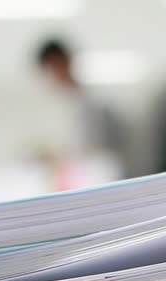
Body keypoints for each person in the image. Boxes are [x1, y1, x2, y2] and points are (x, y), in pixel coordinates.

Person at [34, 38, 125, 189]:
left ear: (67, 62)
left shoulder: (96, 102)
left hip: (94, 174)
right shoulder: (52, 104)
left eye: (56, 66)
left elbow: (101, 149)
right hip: (66, 175)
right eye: (48, 69)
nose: (53, 74)